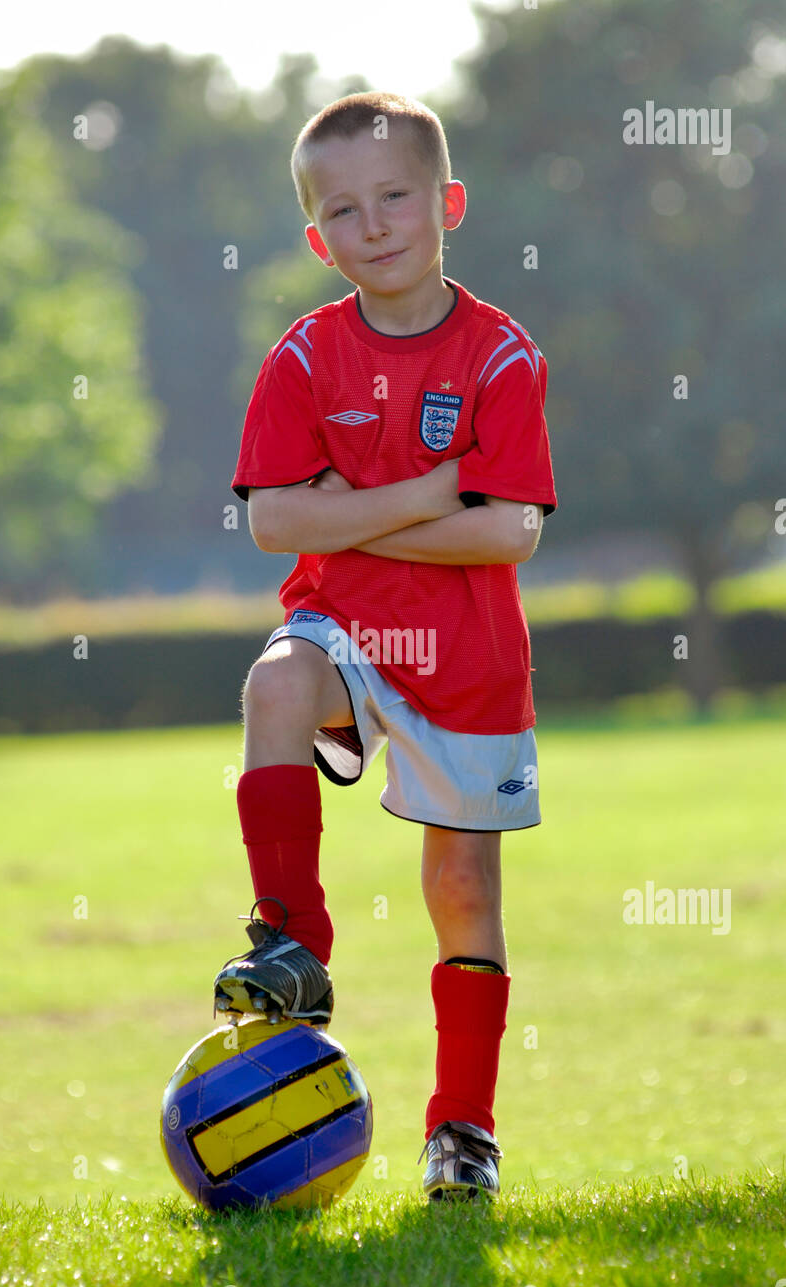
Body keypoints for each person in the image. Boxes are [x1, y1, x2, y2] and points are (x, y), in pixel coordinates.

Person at [214, 92, 558, 1201]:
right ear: (320, 237)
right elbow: (275, 522)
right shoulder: (304, 359)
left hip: (470, 661)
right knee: (275, 679)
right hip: (342, 634)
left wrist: (347, 503)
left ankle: (463, 1129)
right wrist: (423, 492)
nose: (375, 224)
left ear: (445, 202)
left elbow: (511, 528)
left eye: (396, 197)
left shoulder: (502, 355)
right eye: (345, 210)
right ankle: (293, 942)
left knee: (463, 891)